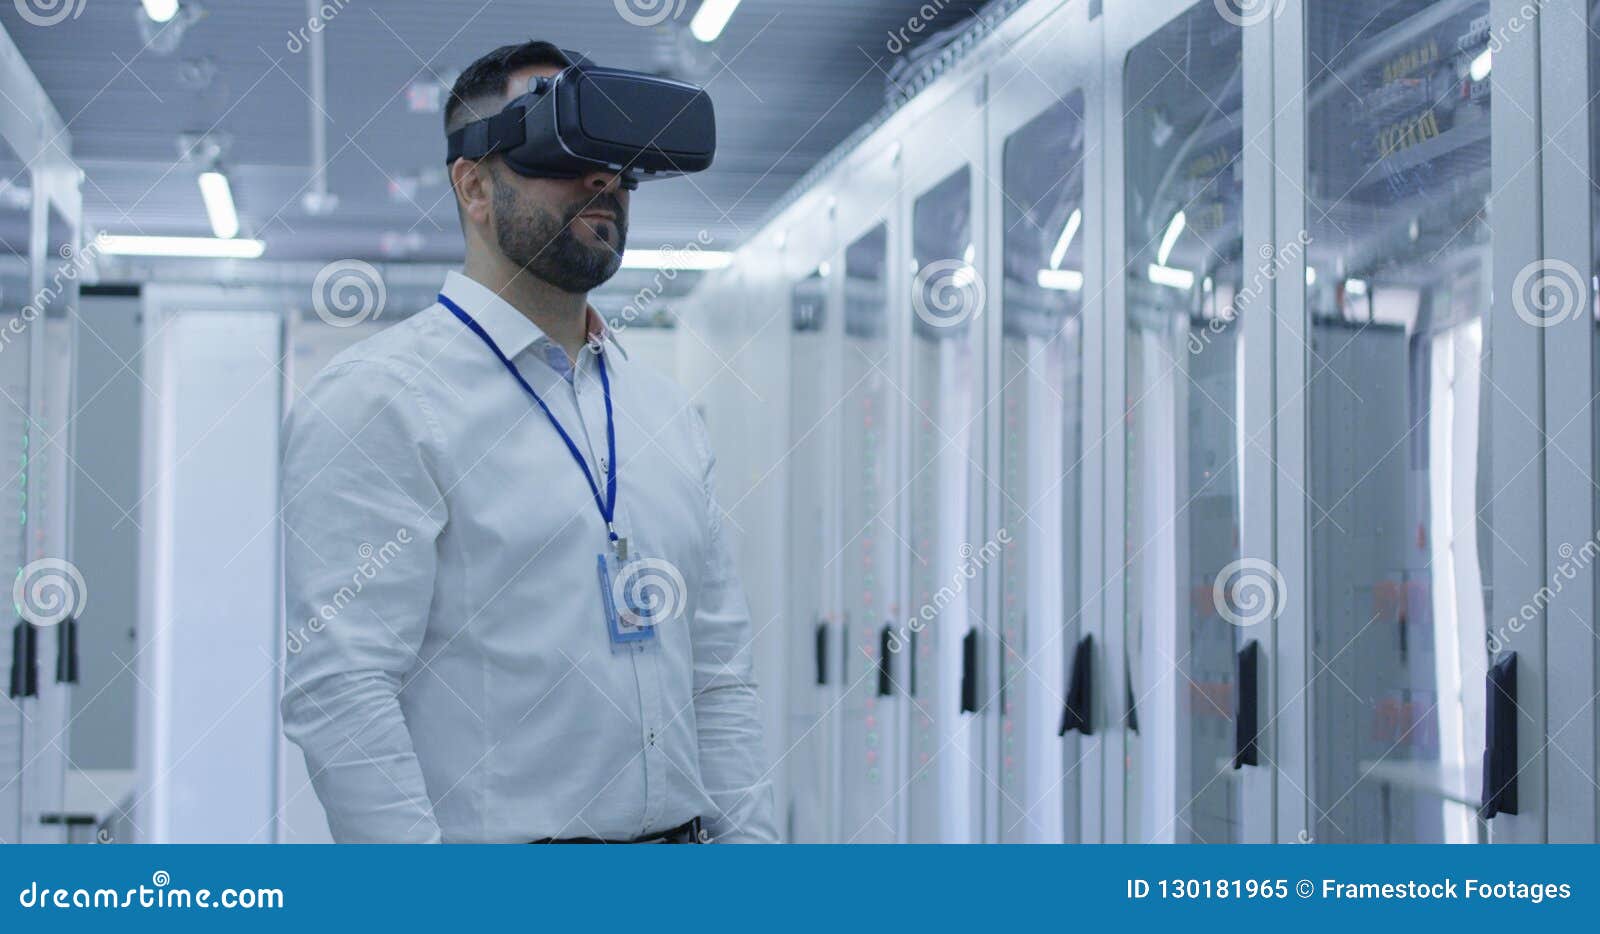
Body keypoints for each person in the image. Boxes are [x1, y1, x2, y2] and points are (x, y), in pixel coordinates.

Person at [279, 39, 776, 844]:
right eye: (561, 146)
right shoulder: (379, 401)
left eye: (615, 156)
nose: (601, 178)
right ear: (473, 184)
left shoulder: (664, 415)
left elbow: (719, 676)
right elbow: (341, 689)